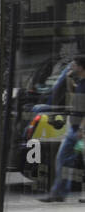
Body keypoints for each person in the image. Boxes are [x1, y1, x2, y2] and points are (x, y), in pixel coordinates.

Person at [38, 54, 85, 203]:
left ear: (81, 67)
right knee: (63, 159)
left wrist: (82, 129)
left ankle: (59, 192)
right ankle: (58, 193)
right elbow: (74, 98)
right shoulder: (81, 84)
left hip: (82, 130)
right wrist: (69, 80)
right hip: (74, 129)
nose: (71, 67)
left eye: (74, 64)